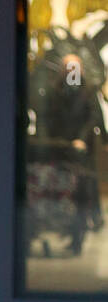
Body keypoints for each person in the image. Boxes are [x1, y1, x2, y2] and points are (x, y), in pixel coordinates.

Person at [35, 53, 103, 256]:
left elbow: (92, 117)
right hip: (60, 148)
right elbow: (47, 116)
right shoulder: (55, 89)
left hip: (80, 150)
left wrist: (82, 139)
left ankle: (78, 236)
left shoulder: (87, 91)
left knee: (82, 191)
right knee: (63, 190)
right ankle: (67, 232)